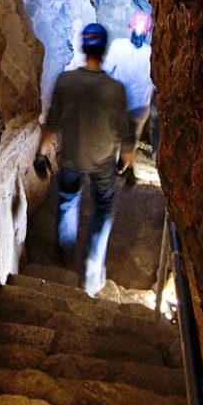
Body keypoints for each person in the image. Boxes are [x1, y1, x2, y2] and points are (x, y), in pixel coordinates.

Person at [38, 22, 135, 296]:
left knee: (68, 201)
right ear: (104, 50)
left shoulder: (66, 81)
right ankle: (92, 273)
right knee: (103, 209)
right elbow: (124, 131)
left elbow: (52, 122)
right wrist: (127, 163)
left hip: (71, 156)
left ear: (83, 47)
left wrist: (40, 154)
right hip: (103, 162)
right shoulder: (115, 89)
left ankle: (64, 250)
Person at [101, 10, 155, 148]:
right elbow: (155, 82)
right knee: (129, 145)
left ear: (130, 28)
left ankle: (114, 156)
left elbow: (106, 72)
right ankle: (124, 159)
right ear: (147, 33)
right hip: (139, 108)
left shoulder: (118, 46)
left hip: (120, 105)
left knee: (113, 141)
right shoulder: (150, 53)